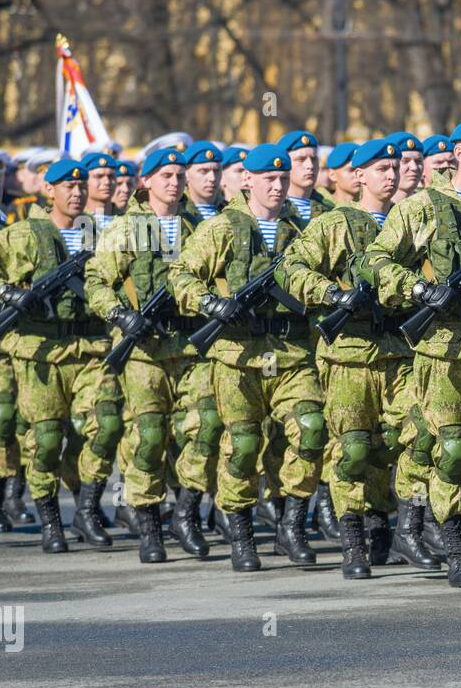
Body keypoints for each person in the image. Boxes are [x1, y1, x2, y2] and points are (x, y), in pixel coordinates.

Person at [363, 119, 461, 587]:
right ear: (458, 155)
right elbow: (377, 260)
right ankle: (455, 548)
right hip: (443, 345)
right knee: (449, 448)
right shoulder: (422, 208)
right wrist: (416, 288)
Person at [167, 144, 326, 571]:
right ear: (248, 181)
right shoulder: (223, 228)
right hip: (237, 355)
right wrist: (208, 302)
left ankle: (291, 525)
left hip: (292, 353)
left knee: (311, 430)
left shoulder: (302, 227)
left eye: (283, 179)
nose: (277, 186)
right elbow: (180, 274)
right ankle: (241, 534)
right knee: (243, 444)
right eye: (268, 179)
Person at [0, 158, 124, 553]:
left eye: (81, 185)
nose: (77, 191)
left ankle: (86, 508)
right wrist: (7, 293)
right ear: (48, 190)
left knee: (106, 425)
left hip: (91, 349)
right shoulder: (23, 235)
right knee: (46, 440)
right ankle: (52, 519)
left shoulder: (99, 235)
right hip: (41, 352)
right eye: (67, 186)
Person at [278, 138, 412, 579]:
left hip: (398, 351)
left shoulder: (408, 220)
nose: (390, 176)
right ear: (357, 176)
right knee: (352, 447)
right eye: (379, 169)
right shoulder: (335, 224)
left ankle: (393, 526)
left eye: (393, 168)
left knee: (409, 437)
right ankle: (354, 540)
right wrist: (331, 293)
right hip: (349, 353)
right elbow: (290, 268)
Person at [83, 148, 209, 562]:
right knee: (150, 436)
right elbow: (96, 281)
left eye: (178, 175)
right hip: (143, 352)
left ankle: (187, 512)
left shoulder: (196, 228)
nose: (174, 183)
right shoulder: (125, 230)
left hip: (189, 348)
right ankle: (150, 525)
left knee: (205, 428)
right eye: (165, 175)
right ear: (147, 180)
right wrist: (121, 314)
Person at [277, 130, 332, 228]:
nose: (310, 165)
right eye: (301, 159)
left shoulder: (329, 209)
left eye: (314, 159)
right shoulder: (273, 208)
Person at [183, 140, 225, 221]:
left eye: (216, 171)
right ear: (186, 174)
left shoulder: (231, 211)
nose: (212, 178)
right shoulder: (176, 212)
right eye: (204, 171)